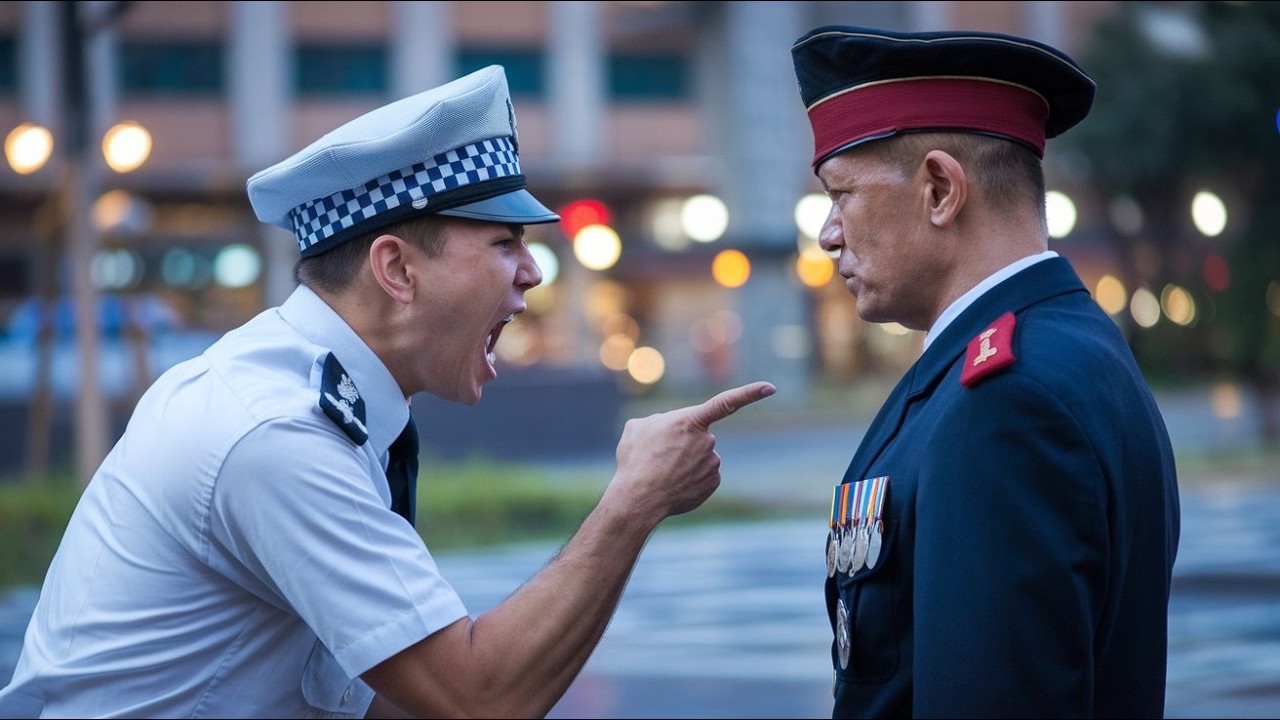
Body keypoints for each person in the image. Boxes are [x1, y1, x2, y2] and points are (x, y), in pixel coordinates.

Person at [0, 65, 775, 719]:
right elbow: (477, 699)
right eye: (505, 244)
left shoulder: (317, 402)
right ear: (397, 269)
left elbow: (394, 696)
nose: (533, 274)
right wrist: (633, 501)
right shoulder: (276, 433)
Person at [790, 25, 1180, 718]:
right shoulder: (1071, 347)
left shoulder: (1006, 399)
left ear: (940, 188)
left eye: (841, 193)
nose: (827, 233)